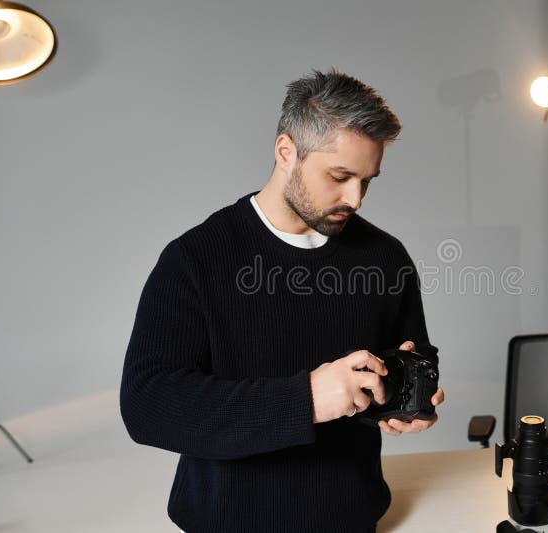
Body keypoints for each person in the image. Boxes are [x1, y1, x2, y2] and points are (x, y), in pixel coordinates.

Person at [120, 69, 444, 533]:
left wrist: (403, 396)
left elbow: (416, 351)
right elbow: (147, 404)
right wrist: (306, 399)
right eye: (339, 176)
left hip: (353, 516)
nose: (355, 197)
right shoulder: (195, 259)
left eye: (368, 180)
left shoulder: (385, 256)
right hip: (226, 521)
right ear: (286, 152)